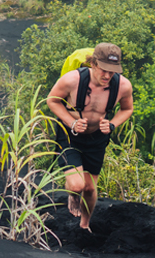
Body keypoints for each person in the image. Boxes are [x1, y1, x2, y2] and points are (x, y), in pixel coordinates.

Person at [46, 43, 135, 231]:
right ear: (93, 64)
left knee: (90, 188)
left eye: (112, 72)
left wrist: (112, 125)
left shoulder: (123, 86)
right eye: (103, 70)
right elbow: (52, 100)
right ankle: (72, 193)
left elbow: (127, 109)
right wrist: (71, 122)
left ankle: (84, 226)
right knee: (77, 185)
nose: (107, 76)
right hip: (70, 134)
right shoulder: (72, 80)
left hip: (96, 138)